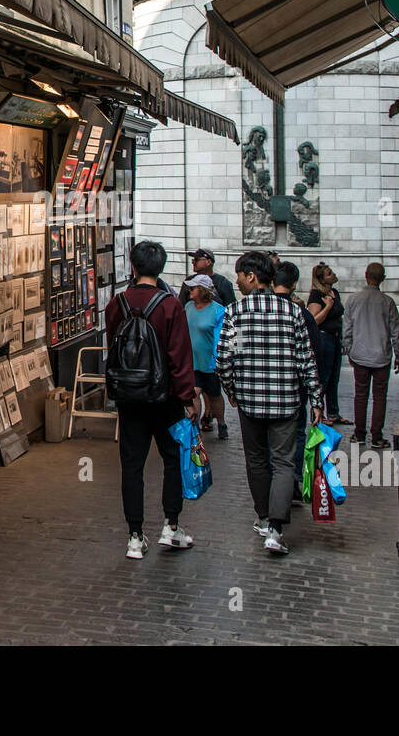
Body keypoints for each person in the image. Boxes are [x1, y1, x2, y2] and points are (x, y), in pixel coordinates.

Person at [216, 251, 323, 556]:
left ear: (251, 276)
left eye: (239, 275)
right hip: (287, 402)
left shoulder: (235, 312)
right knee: (284, 462)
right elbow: (306, 361)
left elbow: (224, 359)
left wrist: (232, 391)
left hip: (249, 401)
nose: (236, 281)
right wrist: (316, 398)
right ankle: (276, 530)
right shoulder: (292, 313)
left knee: (257, 461)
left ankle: (263, 517)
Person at [105, 240, 198, 560]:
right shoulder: (171, 305)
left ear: (132, 266)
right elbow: (180, 356)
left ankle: (134, 535)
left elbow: (114, 350)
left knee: (132, 465)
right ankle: (171, 527)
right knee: (173, 459)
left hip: (130, 397)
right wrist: (188, 397)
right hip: (166, 398)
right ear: (161, 268)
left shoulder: (116, 304)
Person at [273, 261, 324, 504]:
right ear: (294, 284)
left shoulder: (259, 310)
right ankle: (292, 480)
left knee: (270, 439)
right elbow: (314, 354)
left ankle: (275, 484)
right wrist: (317, 396)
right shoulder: (301, 314)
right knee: (298, 434)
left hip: (267, 387)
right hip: (296, 387)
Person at [342, 262, 399, 448]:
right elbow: (396, 331)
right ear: (382, 279)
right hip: (381, 356)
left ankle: (359, 433)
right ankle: (376, 436)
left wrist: (348, 349)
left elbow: (347, 329)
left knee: (360, 395)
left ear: (365, 275)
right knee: (380, 397)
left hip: (360, 354)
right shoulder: (387, 302)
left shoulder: (353, 300)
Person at [184, 274, 229, 440]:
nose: (189, 290)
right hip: (192, 361)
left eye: (192, 288)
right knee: (194, 393)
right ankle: (195, 426)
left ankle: (222, 423)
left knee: (214, 395)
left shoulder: (218, 310)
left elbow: (220, 338)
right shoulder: (188, 307)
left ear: (202, 290)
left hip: (210, 362)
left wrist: (218, 360)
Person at [306, 263, 346, 424]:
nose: (334, 275)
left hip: (335, 338)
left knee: (334, 377)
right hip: (324, 338)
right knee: (324, 377)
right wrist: (328, 307)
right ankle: (319, 413)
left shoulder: (334, 292)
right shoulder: (317, 295)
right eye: (329, 273)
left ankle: (333, 412)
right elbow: (313, 320)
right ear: (321, 279)